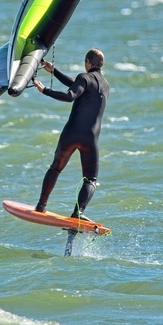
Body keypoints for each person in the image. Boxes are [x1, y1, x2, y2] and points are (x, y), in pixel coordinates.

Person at [32, 48, 109, 219]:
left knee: (56, 168)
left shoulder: (84, 77)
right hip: (90, 139)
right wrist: (53, 71)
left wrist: (45, 90)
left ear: (87, 62)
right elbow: (78, 85)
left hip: (72, 134)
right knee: (90, 179)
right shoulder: (105, 85)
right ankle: (77, 213)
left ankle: (41, 205)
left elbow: (71, 94)